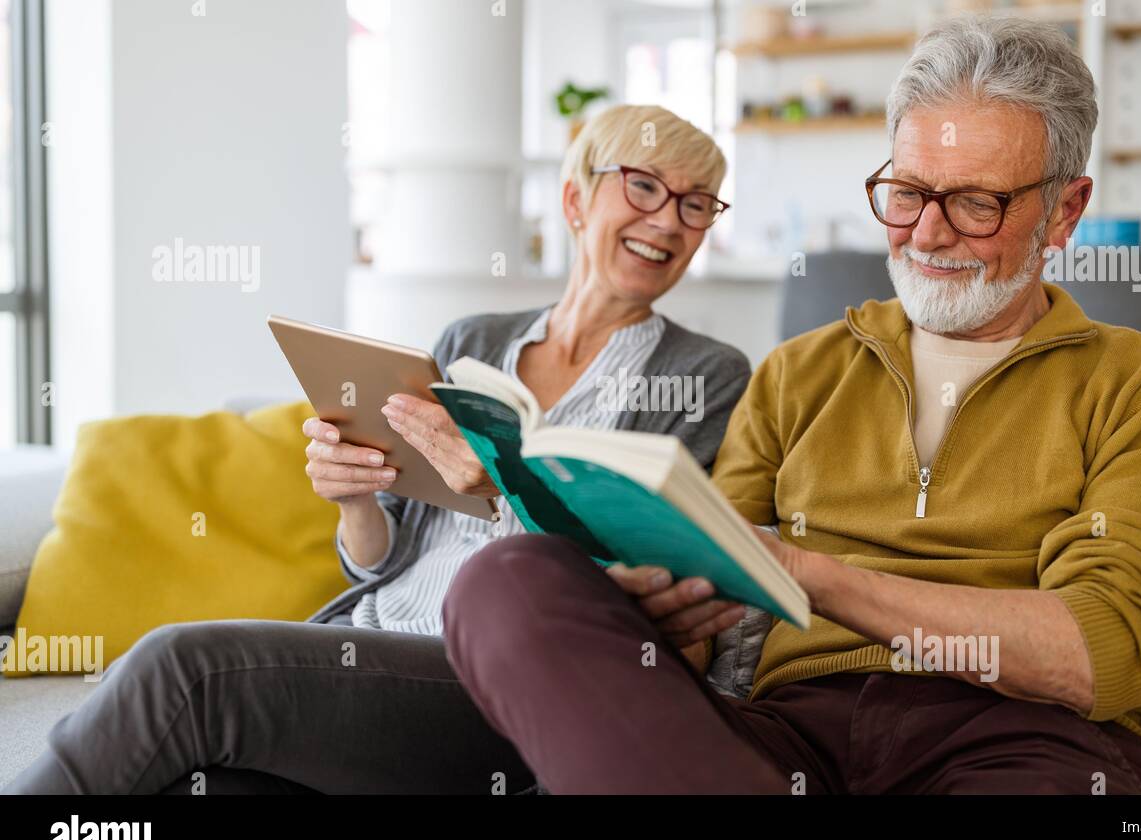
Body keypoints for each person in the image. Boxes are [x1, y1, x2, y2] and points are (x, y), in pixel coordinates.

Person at [443, 17, 1141, 795]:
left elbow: (1101, 650)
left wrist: (806, 575)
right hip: (792, 739)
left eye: (977, 203)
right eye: (908, 192)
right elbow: (703, 631)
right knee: (505, 580)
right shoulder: (797, 374)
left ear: (1064, 210)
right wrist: (660, 615)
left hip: (1029, 741)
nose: (928, 232)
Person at [4, 104, 751, 795]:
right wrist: (355, 497)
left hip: (506, 675)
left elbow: (641, 578)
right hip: (370, 640)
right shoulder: (473, 340)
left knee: (185, 666)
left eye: (696, 204)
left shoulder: (705, 376)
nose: (669, 220)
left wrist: (499, 484)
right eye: (645, 186)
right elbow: (379, 559)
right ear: (576, 201)